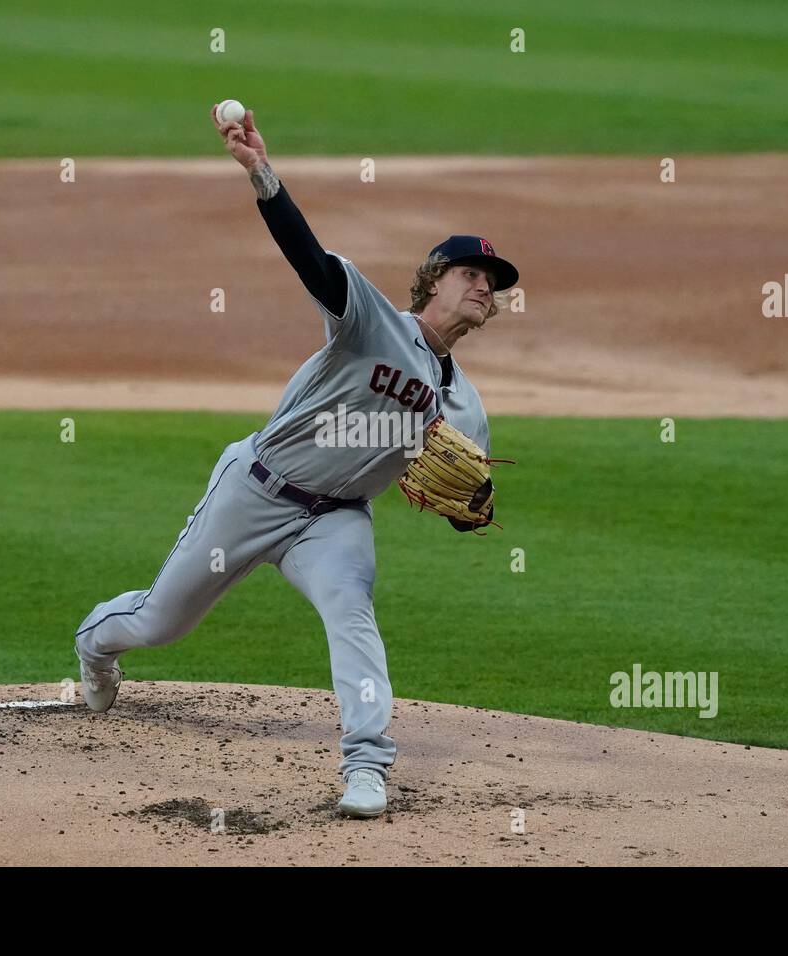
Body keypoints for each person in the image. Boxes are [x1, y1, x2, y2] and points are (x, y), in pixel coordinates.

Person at [73, 104, 519, 819]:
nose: (483, 287)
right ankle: (95, 648)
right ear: (433, 281)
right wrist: (262, 175)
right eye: (470, 272)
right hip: (256, 488)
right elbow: (308, 258)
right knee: (162, 623)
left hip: (334, 523)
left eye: (491, 283)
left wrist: (478, 511)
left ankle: (367, 766)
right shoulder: (371, 319)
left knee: (352, 612)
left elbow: (469, 507)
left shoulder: (465, 408)